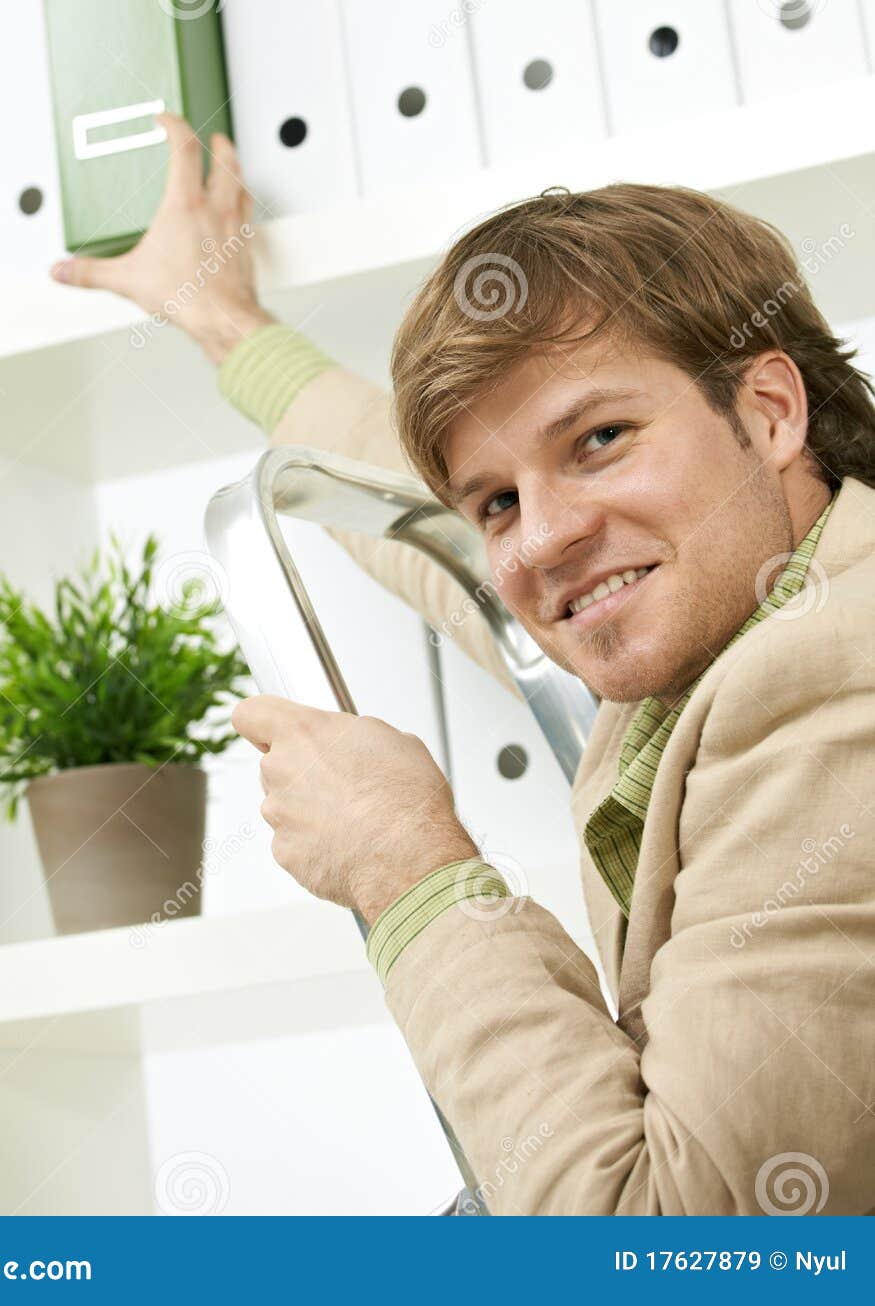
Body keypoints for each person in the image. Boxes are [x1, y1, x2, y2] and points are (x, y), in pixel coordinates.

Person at [51, 113, 875, 1215]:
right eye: (495, 500)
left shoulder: (827, 673)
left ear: (767, 410)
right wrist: (223, 318)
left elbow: (666, 1249)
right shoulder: (756, 588)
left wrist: (405, 864)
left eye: (597, 438)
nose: (535, 541)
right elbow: (421, 502)